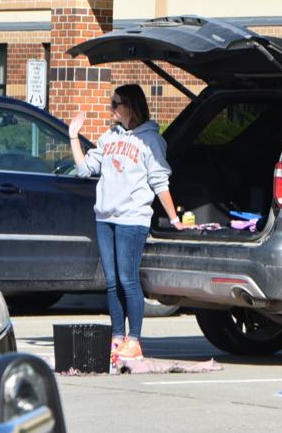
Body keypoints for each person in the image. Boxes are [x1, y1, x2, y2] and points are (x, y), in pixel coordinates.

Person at [67, 84, 187, 364]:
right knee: (111, 283)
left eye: (115, 103)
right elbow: (86, 169)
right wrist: (73, 137)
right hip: (105, 217)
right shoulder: (109, 137)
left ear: (130, 106)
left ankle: (134, 341)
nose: (112, 108)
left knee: (128, 279)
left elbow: (159, 181)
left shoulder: (150, 140)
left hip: (133, 219)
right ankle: (117, 338)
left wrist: (174, 218)